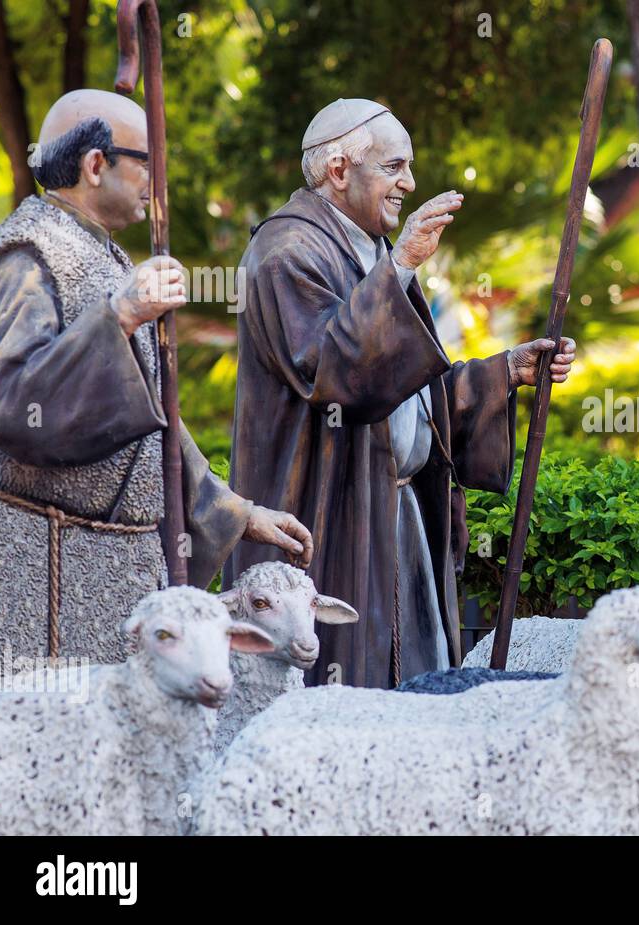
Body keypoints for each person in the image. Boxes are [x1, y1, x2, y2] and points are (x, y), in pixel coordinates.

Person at [225, 99, 575, 688]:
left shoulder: (370, 250)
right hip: (334, 516)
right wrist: (405, 264)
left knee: (418, 689)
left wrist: (504, 372)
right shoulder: (287, 253)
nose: (409, 184)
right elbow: (336, 374)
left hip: (398, 514)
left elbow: (411, 395)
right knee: (345, 692)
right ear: (339, 170)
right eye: (393, 167)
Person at [0, 89, 311, 664]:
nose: (156, 183)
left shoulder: (108, 259)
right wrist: (118, 318)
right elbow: (10, 406)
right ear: (94, 165)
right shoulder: (27, 258)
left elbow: (154, 423)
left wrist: (236, 512)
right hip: (41, 571)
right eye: (147, 164)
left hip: (117, 572)